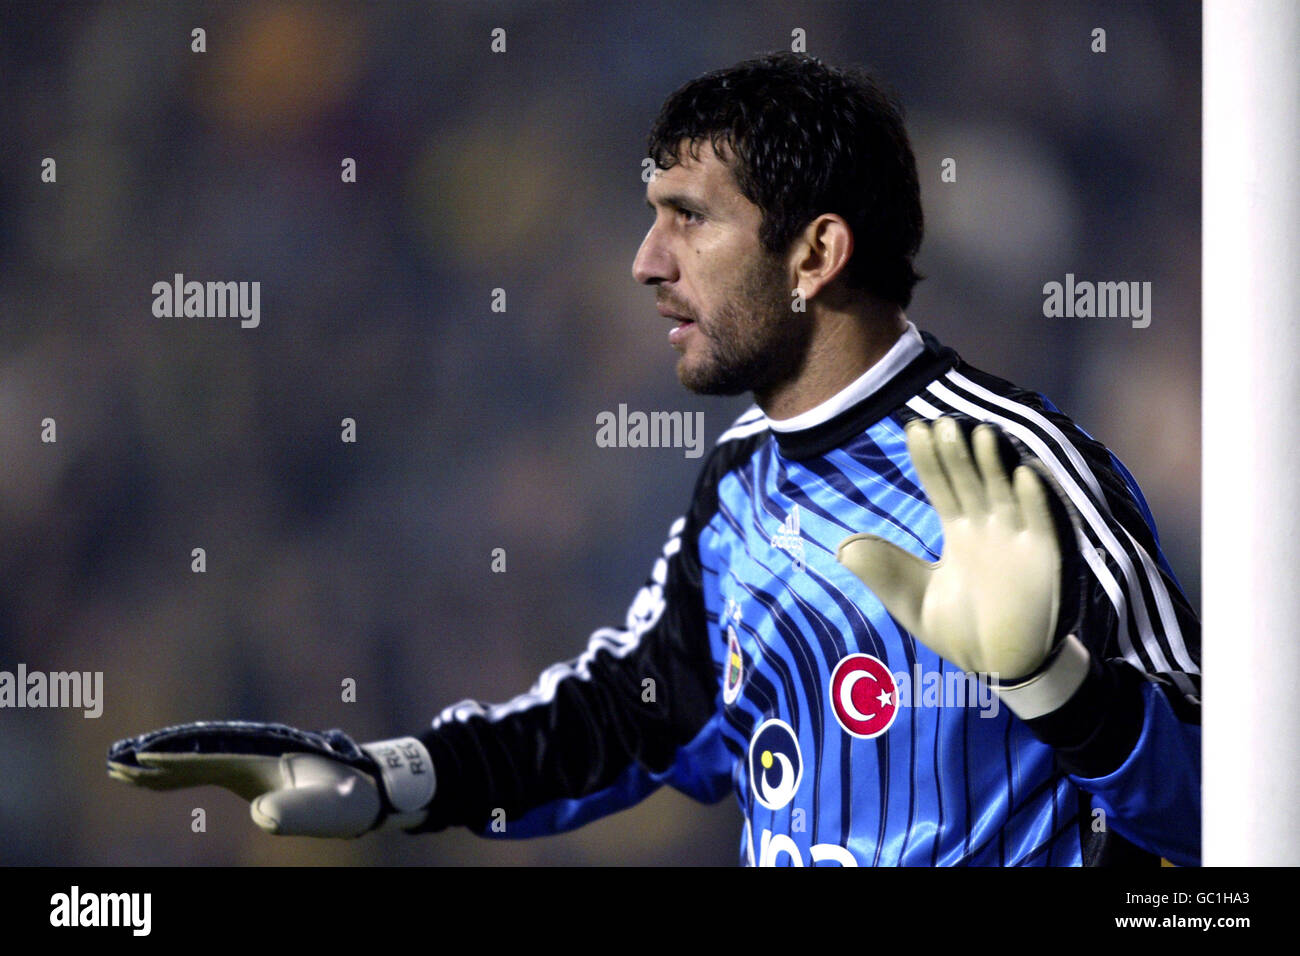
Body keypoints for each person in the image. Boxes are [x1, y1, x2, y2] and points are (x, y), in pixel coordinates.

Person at [107, 53, 1200, 866]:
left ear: (816, 252)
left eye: (688, 218)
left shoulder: (1019, 469)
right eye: (649, 217)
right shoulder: (740, 484)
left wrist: (1054, 686)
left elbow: (1225, 826)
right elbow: (627, 715)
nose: (645, 262)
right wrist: (392, 778)